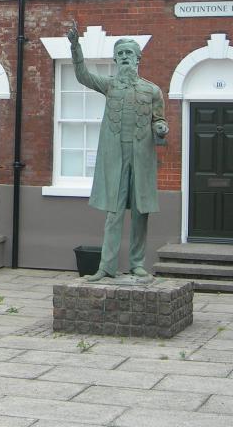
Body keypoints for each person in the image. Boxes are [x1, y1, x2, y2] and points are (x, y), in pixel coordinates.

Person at [66, 24, 168, 280]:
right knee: (114, 213)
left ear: (137, 58)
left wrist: (161, 127)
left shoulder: (152, 90)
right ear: (115, 59)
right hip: (116, 159)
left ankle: (137, 264)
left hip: (141, 158)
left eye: (128, 53)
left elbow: (158, 119)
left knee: (140, 214)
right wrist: (75, 46)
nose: (124, 57)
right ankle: (106, 266)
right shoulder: (109, 85)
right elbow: (83, 75)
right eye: (120, 53)